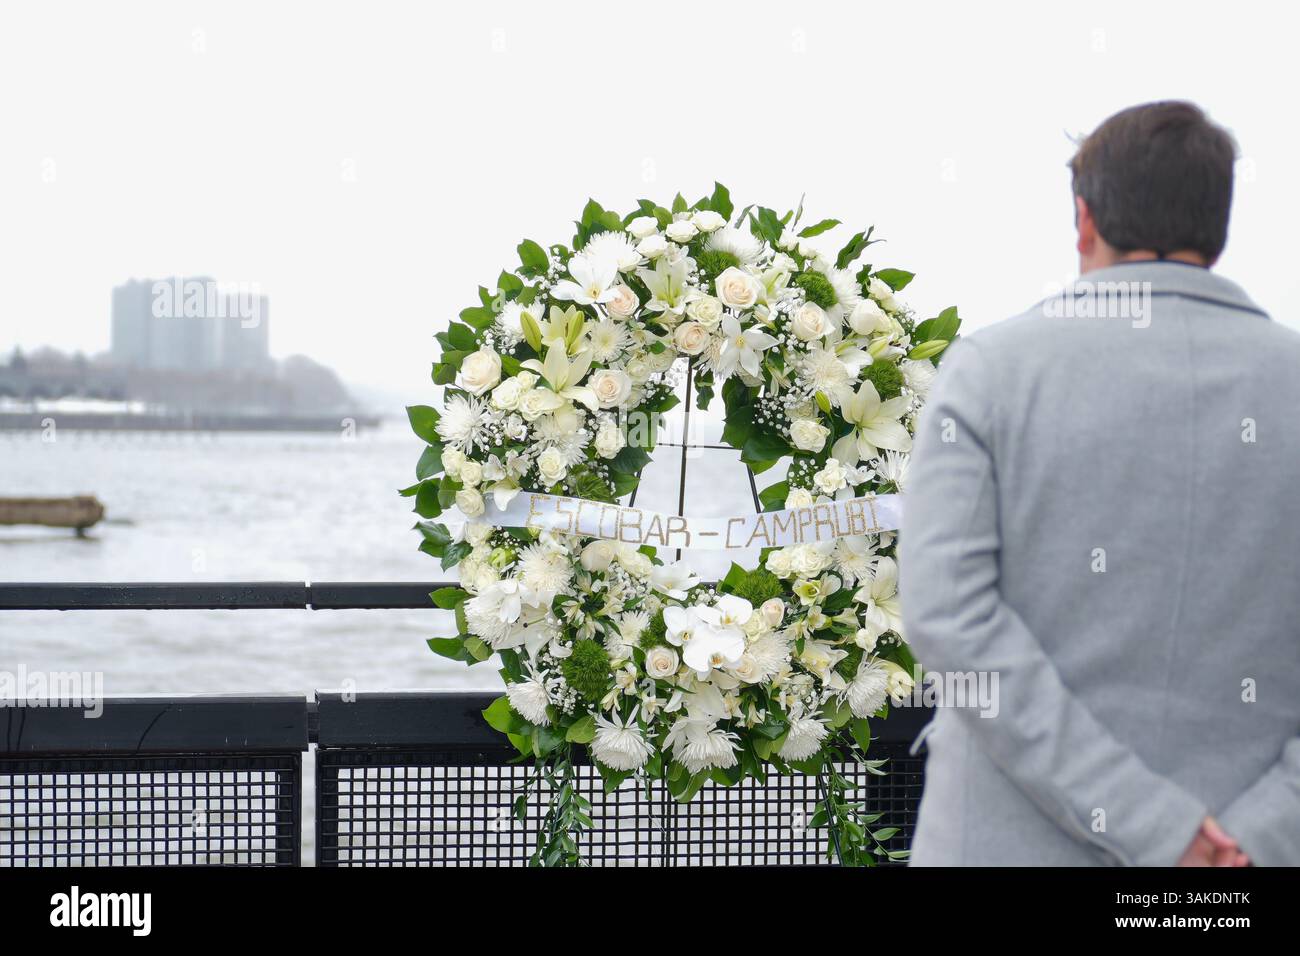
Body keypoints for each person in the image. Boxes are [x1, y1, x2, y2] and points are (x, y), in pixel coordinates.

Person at [900, 101, 1300, 866]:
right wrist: (1261, 834)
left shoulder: (990, 372)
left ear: (1083, 220)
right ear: (1216, 229)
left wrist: (1151, 822)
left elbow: (947, 616)